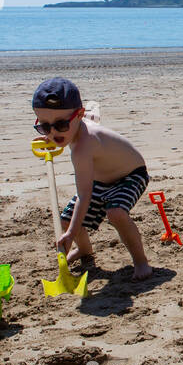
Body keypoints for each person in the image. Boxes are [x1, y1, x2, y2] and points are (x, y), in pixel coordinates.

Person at [31, 77, 153, 280]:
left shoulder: (83, 147)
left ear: (78, 116)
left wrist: (70, 234)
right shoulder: (76, 126)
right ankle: (85, 250)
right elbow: (89, 115)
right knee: (67, 219)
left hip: (131, 175)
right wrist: (52, 137)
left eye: (60, 125)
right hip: (101, 180)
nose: (53, 132)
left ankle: (141, 262)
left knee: (116, 213)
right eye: (45, 126)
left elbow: (84, 194)